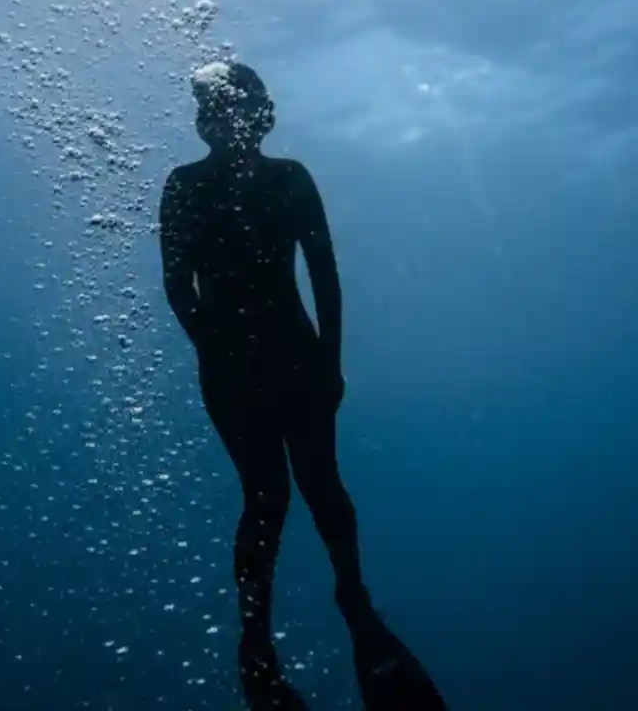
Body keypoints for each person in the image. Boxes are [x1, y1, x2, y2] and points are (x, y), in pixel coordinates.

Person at [158, 60, 447, 711]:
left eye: (228, 106)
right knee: (278, 495)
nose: (223, 118)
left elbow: (323, 276)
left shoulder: (282, 180)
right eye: (213, 107)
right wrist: (224, 354)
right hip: (260, 363)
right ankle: (267, 632)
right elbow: (179, 287)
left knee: (308, 488)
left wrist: (328, 360)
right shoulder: (193, 186)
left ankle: (337, 604)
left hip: (288, 359)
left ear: (254, 114)